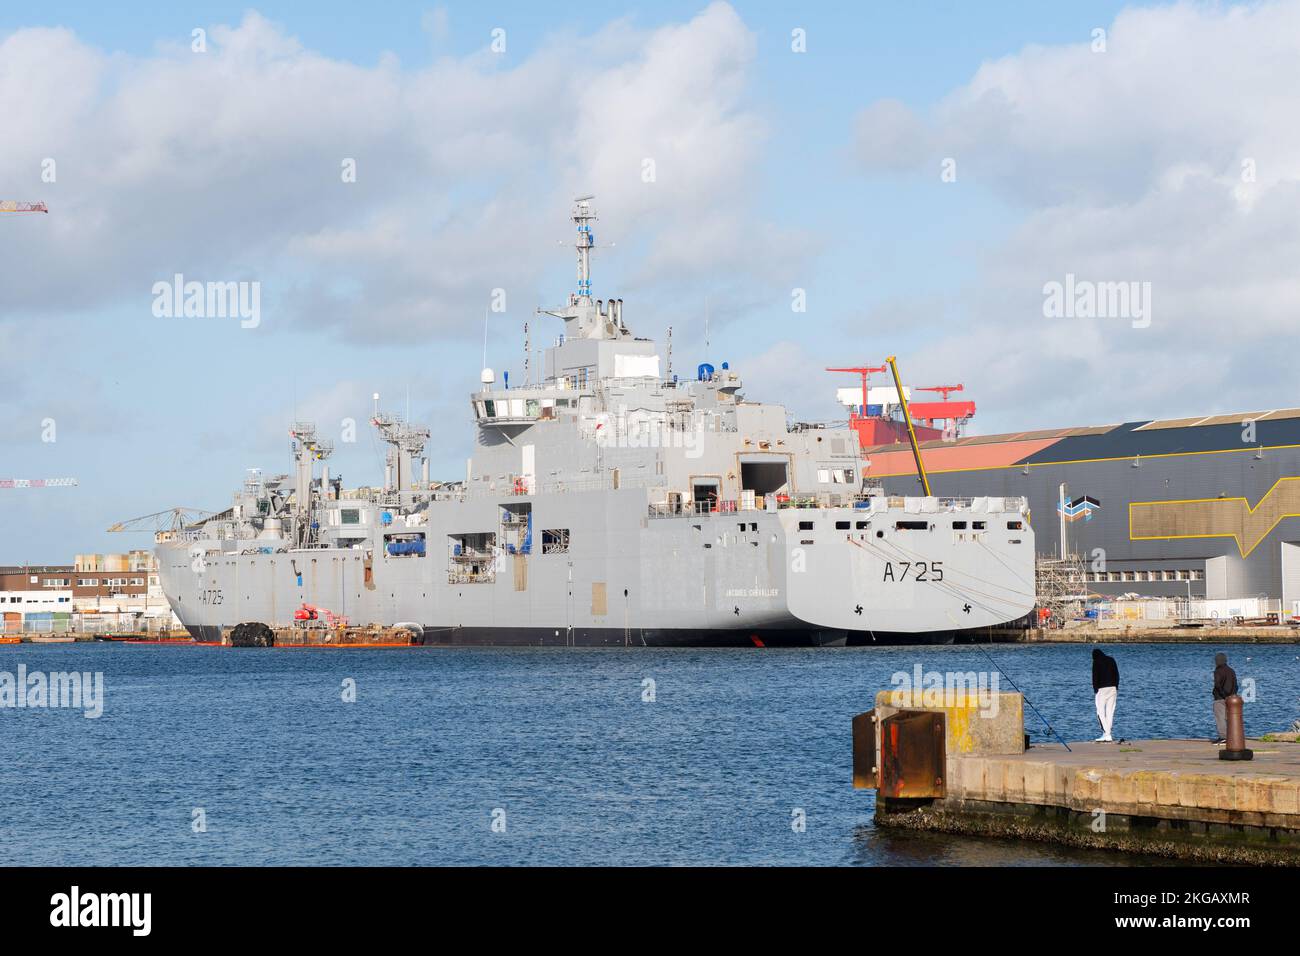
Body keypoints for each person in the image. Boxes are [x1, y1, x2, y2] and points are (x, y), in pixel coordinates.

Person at [1092, 648, 1119, 742]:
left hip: (1101, 689)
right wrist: (1116, 686)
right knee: (1110, 712)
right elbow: (1116, 674)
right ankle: (1108, 734)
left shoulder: (1096, 662)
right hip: (1113, 688)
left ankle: (1106, 733)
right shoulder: (1111, 659)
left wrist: (1095, 689)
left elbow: (1095, 676)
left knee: (1100, 712)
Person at [1212, 652, 1238, 744]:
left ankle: (1223, 737)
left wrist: (1223, 695)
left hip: (1220, 698)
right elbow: (1236, 685)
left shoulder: (1218, 671)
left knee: (1220, 718)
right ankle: (1232, 736)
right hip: (1232, 698)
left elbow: (1218, 685)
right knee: (1230, 718)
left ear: (1217, 661)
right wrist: (1232, 695)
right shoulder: (1231, 671)